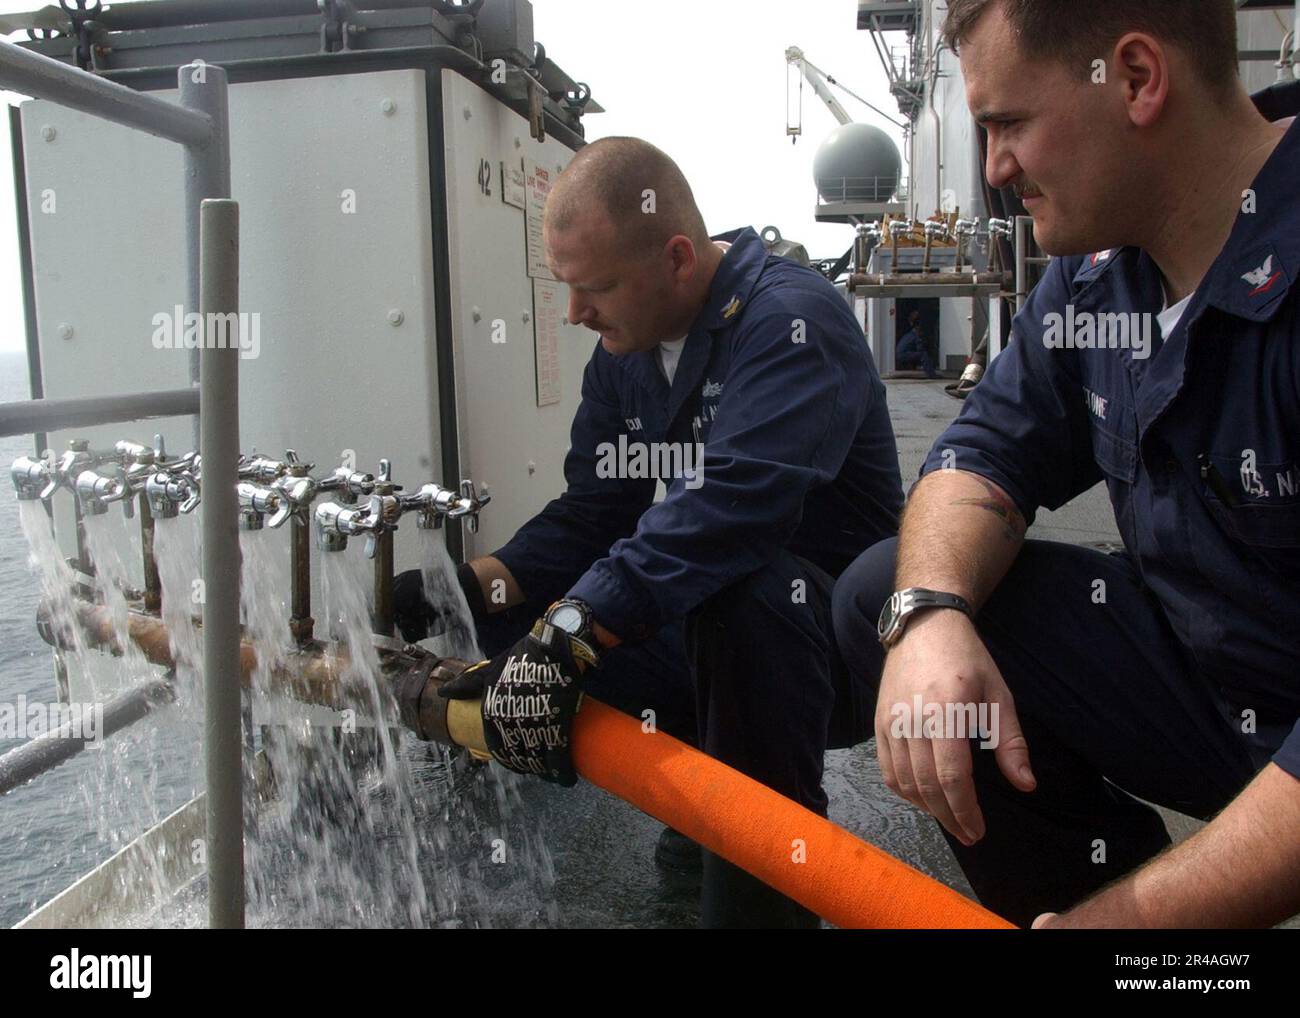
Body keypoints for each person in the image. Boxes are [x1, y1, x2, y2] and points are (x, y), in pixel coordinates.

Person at [832, 0, 1300, 929]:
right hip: (1218, 685)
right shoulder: (1101, 275)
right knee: (885, 595)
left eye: (1008, 124)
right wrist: (930, 614)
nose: (996, 170)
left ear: (1135, 79)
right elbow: (983, 452)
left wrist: (1130, 925)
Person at [395, 137, 904, 927]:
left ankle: (764, 883)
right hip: (719, 631)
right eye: (567, 288)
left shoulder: (791, 322)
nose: (574, 314)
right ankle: (704, 793)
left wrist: (569, 633)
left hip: (837, 644)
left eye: (594, 288)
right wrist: (467, 587)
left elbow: (731, 512)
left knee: (738, 594)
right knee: (501, 620)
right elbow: (595, 511)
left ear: (675, 257)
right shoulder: (625, 353)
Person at [895, 310, 940, 378]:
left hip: (900, 354)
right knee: (923, 354)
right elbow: (920, 350)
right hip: (903, 355)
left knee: (918, 354)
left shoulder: (908, 335)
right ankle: (931, 374)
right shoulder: (915, 336)